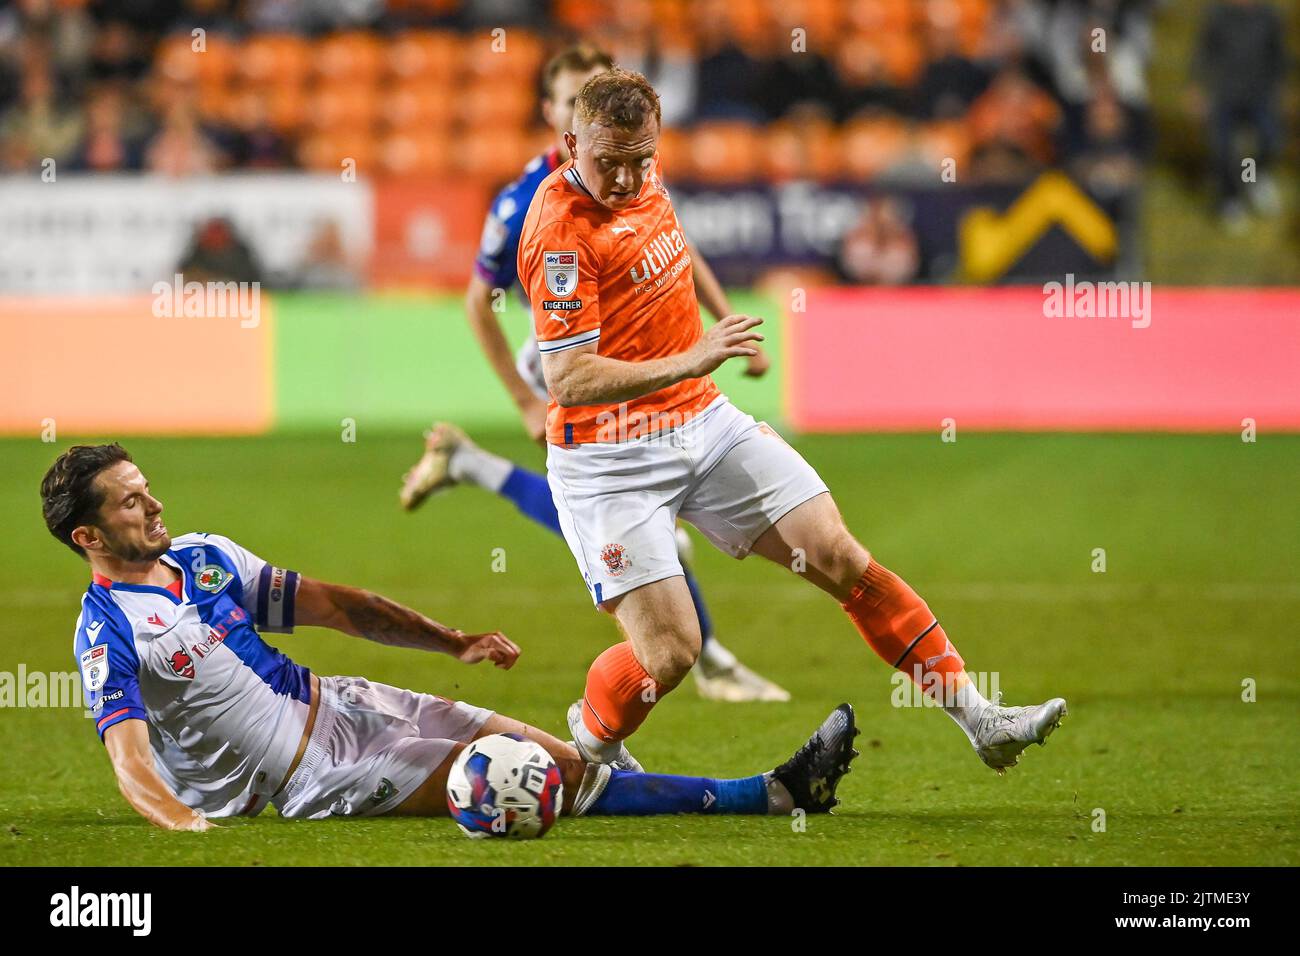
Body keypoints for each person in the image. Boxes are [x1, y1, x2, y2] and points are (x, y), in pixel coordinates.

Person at [515, 68, 1068, 774]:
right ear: (570, 144)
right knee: (671, 654)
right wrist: (694, 357)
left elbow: (675, 248)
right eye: (608, 163)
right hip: (609, 459)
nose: (625, 179)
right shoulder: (560, 235)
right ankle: (589, 745)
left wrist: (717, 324)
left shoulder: (644, 179)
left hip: (700, 423)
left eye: (640, 159)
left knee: (840, 556)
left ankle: (979, 716)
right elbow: (570, 377)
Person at [42, 443, 857, 830]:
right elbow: (130, 760)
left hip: (344, 705)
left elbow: (335, 606)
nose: (153, 508)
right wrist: (185, 825)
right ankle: (774, 792)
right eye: (128, 503)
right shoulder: (107, 629)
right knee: (556, 782)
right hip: (304, 774)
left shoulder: (202, 556)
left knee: (560, 759)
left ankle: (649, 774)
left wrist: (452, 641)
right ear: (89, 537)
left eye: (147, 491)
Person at [401, 43, 788, 705]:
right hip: (579, 371)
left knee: (653, 528)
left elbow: (678, 248)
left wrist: (729, 323)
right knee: (634, 526)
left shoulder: (634, 170)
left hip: (646, 363)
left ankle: (467, 464)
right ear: (557, 115)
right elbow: (480, 303)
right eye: (570, 95)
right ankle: (709, 660)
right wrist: (526, 399)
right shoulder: (526, 202)